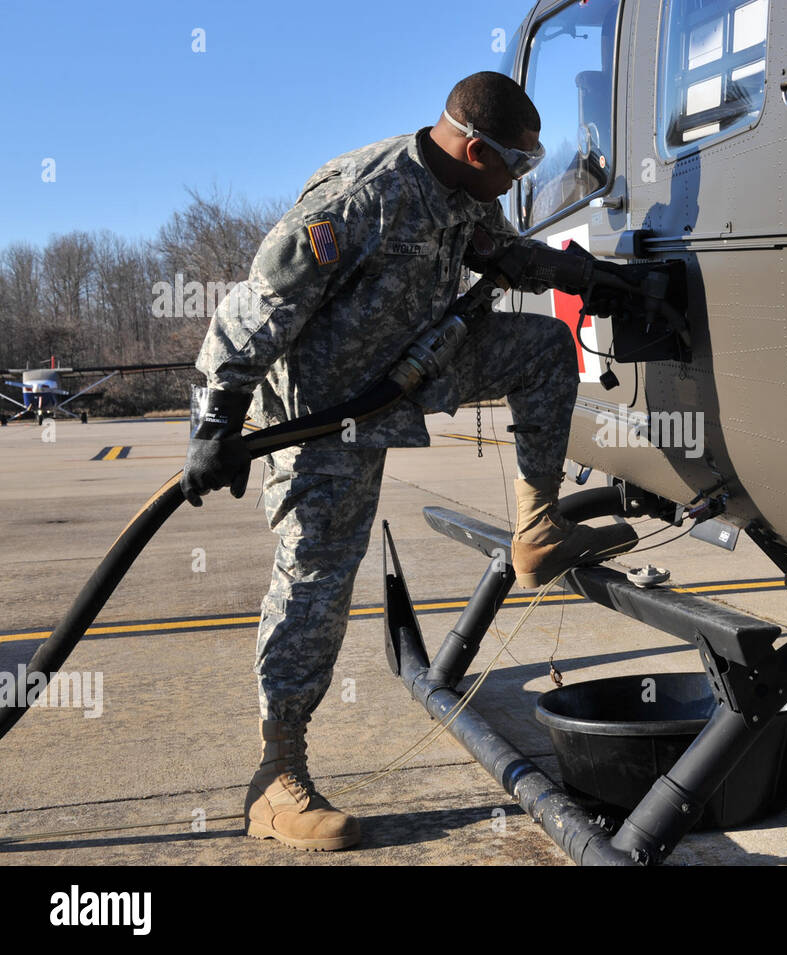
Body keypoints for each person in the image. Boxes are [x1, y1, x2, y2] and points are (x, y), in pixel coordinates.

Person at [182, 72, 638, 851]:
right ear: (471, 147)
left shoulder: (467, 191)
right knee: (317, 574)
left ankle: (537, 529)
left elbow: (495, 253)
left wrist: (583, 276)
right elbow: (246, 315)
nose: (519, 181)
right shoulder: (360, 199)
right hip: (321, 416)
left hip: (405, 372)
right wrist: (216, 420)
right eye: (516, 167)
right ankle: (275, 775)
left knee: (541, 351)